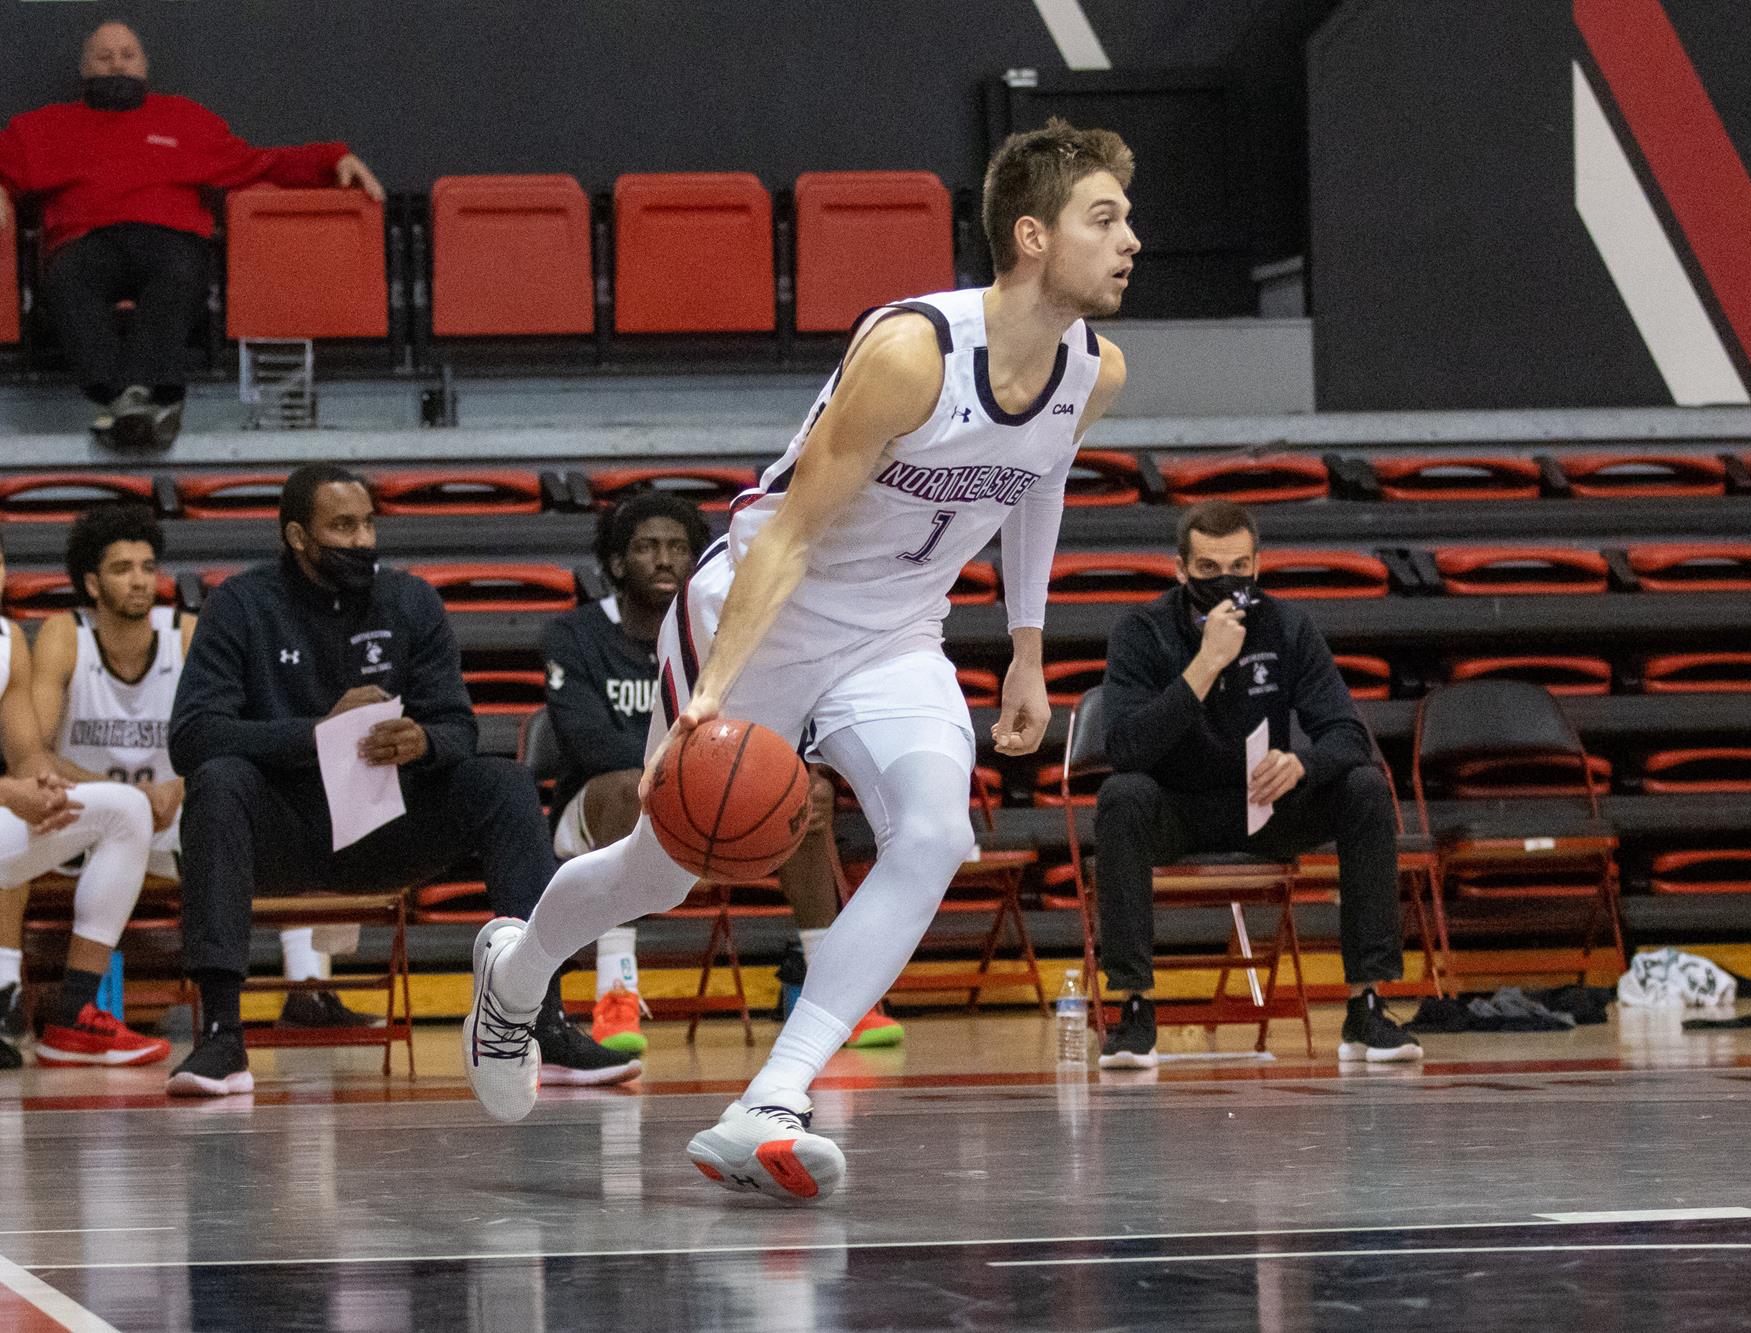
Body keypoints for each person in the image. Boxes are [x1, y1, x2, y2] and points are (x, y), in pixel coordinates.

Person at [461, 118, 1136, 1204]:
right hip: (769, 606)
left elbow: (1039, 477)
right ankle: (515, 968)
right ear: (1029, 235)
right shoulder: (912, 352)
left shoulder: (1090, 374)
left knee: (931, 832)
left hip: (897, 630)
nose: (1129, 240)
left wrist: (1024, 648)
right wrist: (716, 696)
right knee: (666, 866)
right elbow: (784, 534)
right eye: (1103, 218)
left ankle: (769, 1099)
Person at [164, 464, 634, 1096]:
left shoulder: (410, 600)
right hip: (282, 831)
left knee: (501, 783)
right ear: (298, 537)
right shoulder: (241, 604)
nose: (362, 540)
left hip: (387, 830)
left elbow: (458, 728)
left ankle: (541, 1021)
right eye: (342, 526)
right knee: (217, 781)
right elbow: (191, 737)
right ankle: (221, 1037)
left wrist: (424, 740)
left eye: (367, 524)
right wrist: (318, 732)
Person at [542, 492, 895, 1052]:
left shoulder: (721, 627)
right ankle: (616, 995)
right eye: (646, 548)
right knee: (625, 789)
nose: (663, 560)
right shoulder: (577, 634)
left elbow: (770, 716)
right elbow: (586, 742)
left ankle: (836, 998)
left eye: (678, 548)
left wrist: (787, 778)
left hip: (702, 797)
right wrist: (681, 778)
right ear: (615, 563)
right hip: (596, 812)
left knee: (797, 798)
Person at [1093, 500, 1419, 1067]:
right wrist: (1206, 665)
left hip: (1265, 805)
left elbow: (1347, 733)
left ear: (1257, 566)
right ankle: (1135, 1011)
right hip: (1178, 809)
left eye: (1240, 568)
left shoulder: (1286, 625)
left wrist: (1303, 765)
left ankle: (1367, 1004)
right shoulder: (1142, 630)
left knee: (1363, 788)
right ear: (1179, 570)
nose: (1227, 582)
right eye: (1209, 570)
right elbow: (1125, 751)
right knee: (1122, 797)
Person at [29, 504, 368, 1030]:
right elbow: (36, 755)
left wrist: (178, 785)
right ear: (92, 584)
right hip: (87, 819)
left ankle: (306, 988)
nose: (140, 580)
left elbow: (234, 734)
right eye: (123, 569)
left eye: (147, 567)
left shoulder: (185, 633)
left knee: (291, 818)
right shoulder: (63, 635)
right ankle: (25, 999)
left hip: (173, 818)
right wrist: (126, 798)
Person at [0, 21, 384, 449]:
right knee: (67, 279)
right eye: (103, 56)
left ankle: (129, 404)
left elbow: (260, 164)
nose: (117, 65)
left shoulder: (184, 119)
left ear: (145, 66)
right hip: (86, 242)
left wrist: (334, 159)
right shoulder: (43, 128)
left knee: (180, 269)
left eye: (128, 55)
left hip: (167, 241)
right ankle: (132, 401)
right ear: (83, 69)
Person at [0, 530, 166, 1069]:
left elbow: (27, 751)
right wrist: (9, 792)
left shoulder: (6, 642)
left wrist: (41, 786)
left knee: (125, 810)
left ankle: (74, 1015)